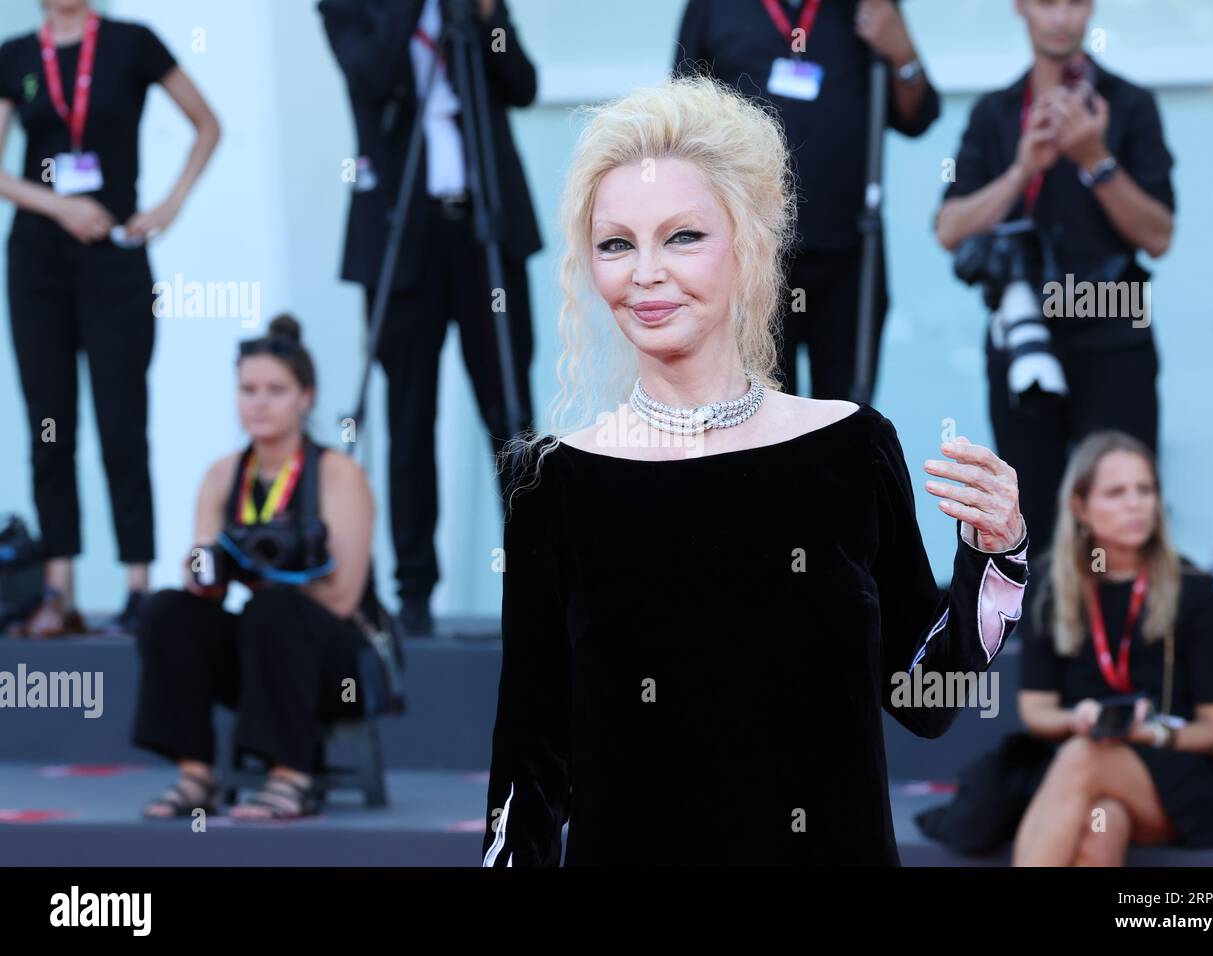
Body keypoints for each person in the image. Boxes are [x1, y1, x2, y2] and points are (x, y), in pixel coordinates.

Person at [479, 76, 1029, 866]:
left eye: (683, 237)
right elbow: (529, 775)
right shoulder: (556, 487)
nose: (646, 273)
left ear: (751, 242)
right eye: (616, 244)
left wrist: (997, 554)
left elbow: (924, 695)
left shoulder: (848, 449)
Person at [319, 0, 542, 639]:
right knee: (410, 414)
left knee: (510, 412)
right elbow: (370, 75)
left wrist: (489, 15)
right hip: (399, 238)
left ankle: (535, 576)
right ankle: (414, 590)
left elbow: (521, 86)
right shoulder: (347, 9)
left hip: (484, 234)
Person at [0, 0, 220, 636]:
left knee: (123, 419)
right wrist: (56, 205)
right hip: (38, 261)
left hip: (115, 260)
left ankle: (138, 582)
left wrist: (168, 207)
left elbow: (207, 124)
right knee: (48, 423)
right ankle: (58, 585)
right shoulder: (18, 56)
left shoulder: (131, 42)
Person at [933, 0, 1175, 563]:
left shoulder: (1130, 105)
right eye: (1046, 3)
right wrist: (1024, 169)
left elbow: (1158, 235)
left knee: (1122, 510)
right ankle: (1042, 648)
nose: (1060, 17)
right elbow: (949, 229)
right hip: (1023, 337)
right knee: (1030, 513)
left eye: (1072, 2)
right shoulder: (996, 113)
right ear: (1021, 9)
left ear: (1089, 8)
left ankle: (1124, 645)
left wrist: (1096, 158)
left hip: (1115, 331)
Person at [131, 315, 381, 821]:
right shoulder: (223, 476)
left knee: (274, 609)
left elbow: (343, 598)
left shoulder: (336, 474)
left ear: (305, 397)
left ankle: (291, 776)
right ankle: (195, 774)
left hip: (337, 661)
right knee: (168, 610)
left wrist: (274, 579)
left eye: (276, 390)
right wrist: (204, 572)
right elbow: (208, 589)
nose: (259, 403)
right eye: (248, 390)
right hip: (261, 653)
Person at [672, 0, 939, 400]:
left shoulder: (868, 6)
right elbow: (682, 120)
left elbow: (917, 117)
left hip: (848, 252)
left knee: (846, 416)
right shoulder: (713, 7)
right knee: (757, 415)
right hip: (750, 254)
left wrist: (901, 52)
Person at [1013, 431, 1213, 864]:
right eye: (1116, 493)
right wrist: (1078, 720)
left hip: (1175, 783)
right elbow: (1036, 711)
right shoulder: (1050, 587)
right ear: (1080, 507)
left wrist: (1147, 732)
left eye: (1145, 490)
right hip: (1087, 776)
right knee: (1101, 824)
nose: (1136, 504)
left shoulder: (1194, 591)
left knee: (1085, 758)